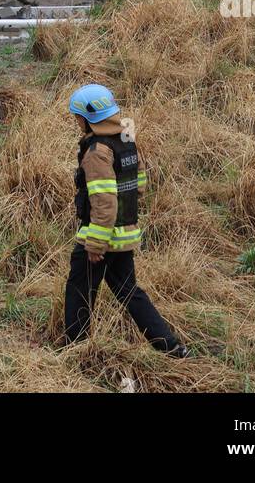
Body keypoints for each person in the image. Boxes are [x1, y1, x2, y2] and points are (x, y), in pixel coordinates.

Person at [63, 83, 188, 355]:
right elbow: (139, 185)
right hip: (125, 235)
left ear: (88, 118)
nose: (76, 122)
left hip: (100, 238)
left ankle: (74, 349)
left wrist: (96, 245)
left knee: (79, 290)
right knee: (129, 292)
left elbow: (104, 202)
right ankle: (170, 346)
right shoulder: (127, 141)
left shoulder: (97, 152)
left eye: (77, 118)